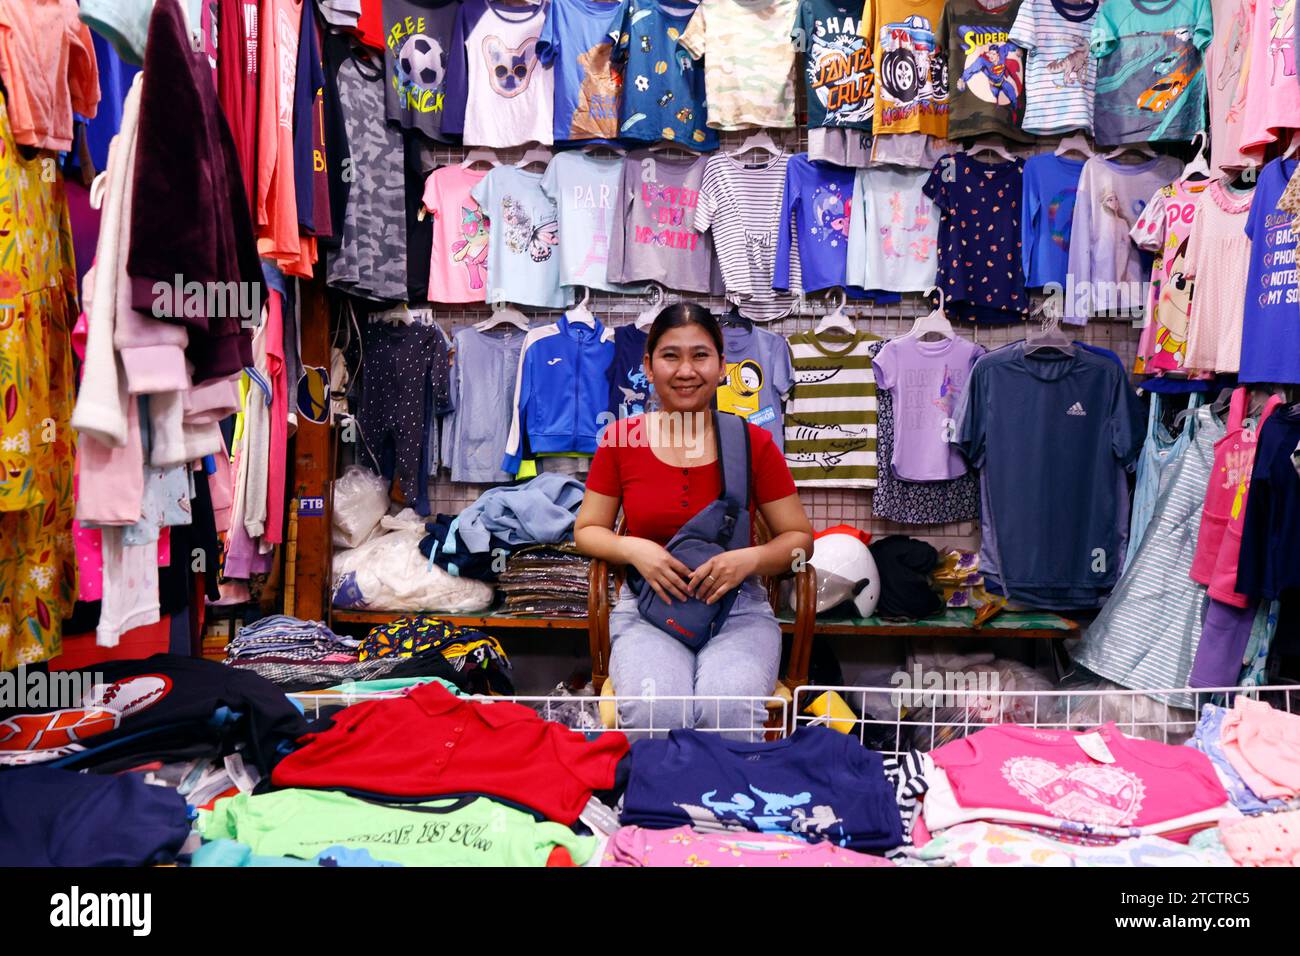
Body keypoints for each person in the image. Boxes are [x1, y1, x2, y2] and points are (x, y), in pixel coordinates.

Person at [574, 304, 814, 737]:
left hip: (739, 612)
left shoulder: (752, 443)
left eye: (701, 355)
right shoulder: (620, 440)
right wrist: (635, 549)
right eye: (671, 356)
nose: (686, 370)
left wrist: (749, 561)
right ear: (647, 366)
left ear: (723, 365)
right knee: (656, 711)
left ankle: (725, 805)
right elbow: (586, 531)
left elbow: (799, 541)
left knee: (727, 711)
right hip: (648, 612)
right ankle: (655, 805)